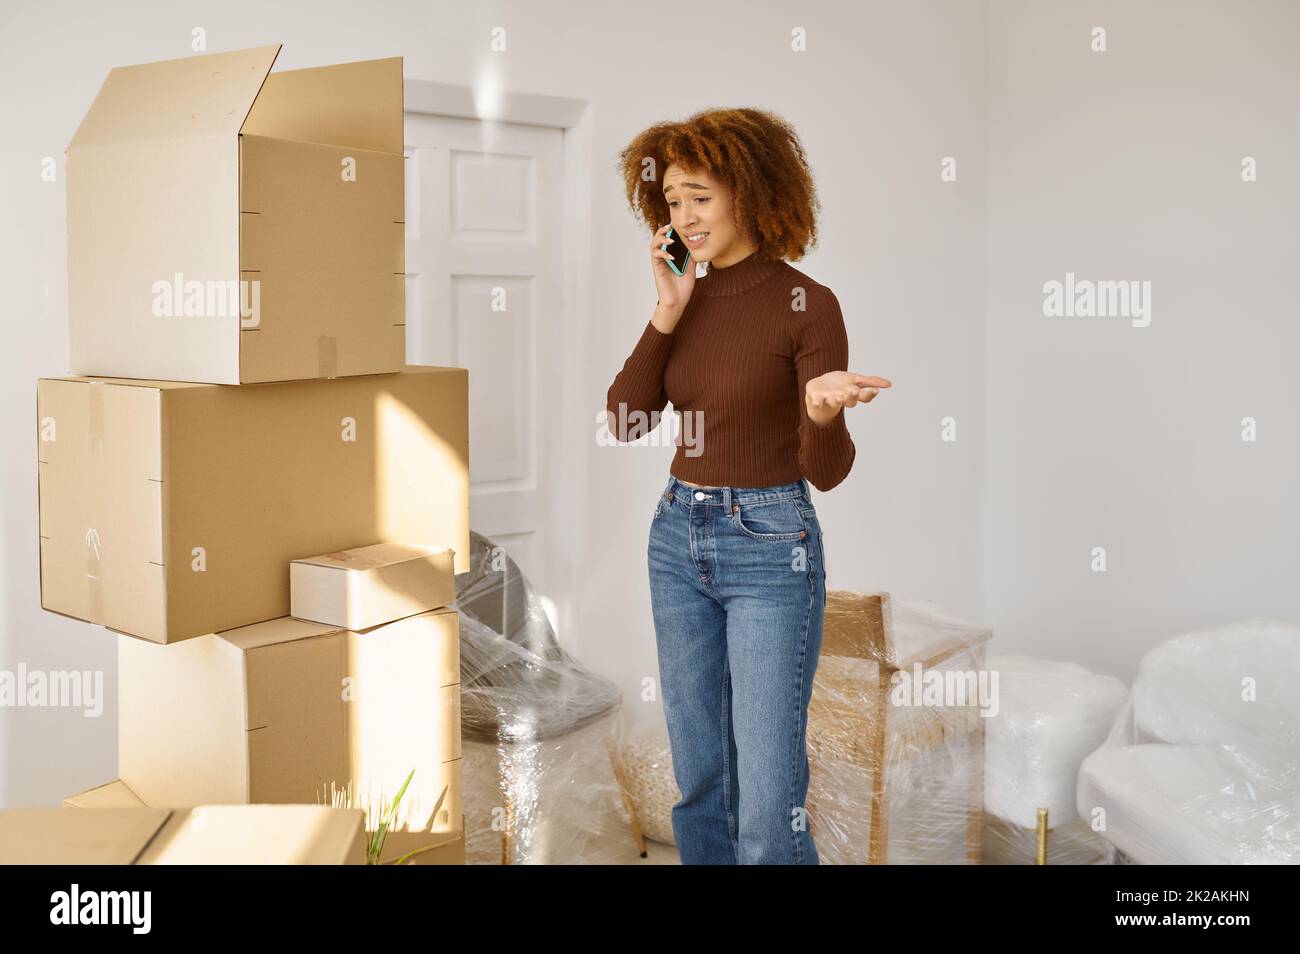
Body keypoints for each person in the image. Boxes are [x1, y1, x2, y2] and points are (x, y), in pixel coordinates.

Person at [606, 107, 891, 864]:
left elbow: (825, 472)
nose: (684, 217)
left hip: (771, 543)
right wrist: (667, 310)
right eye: (671, 201)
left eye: (700, 196)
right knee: (701, 776)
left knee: (767, 793)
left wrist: (822, 411)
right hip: (677, 535)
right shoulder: (686, 298)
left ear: (751, 192)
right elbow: (626, 421)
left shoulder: (808, 303)